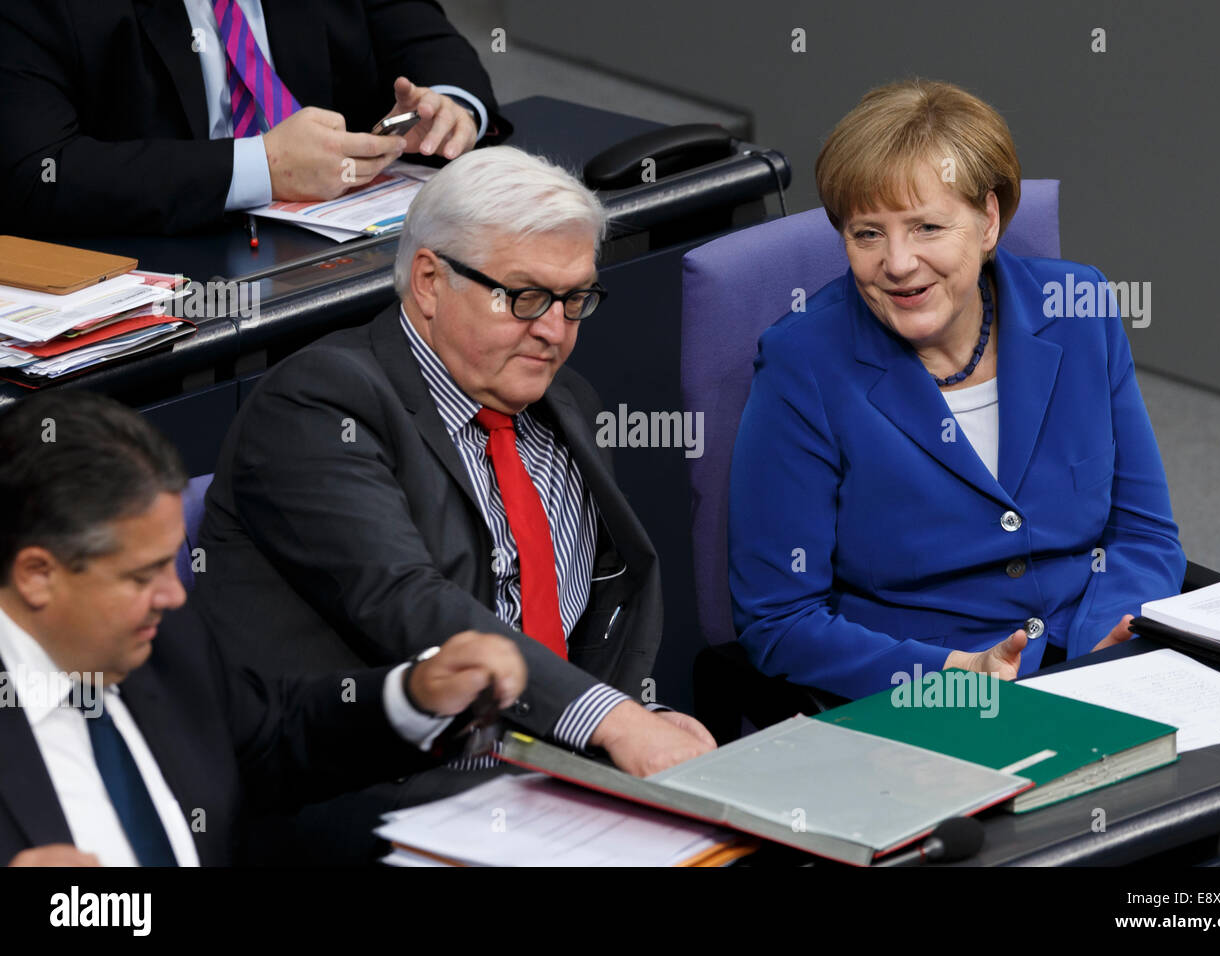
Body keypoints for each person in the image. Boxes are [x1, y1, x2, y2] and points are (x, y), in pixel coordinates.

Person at [189, 145, 715, 857]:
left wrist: (638, 717)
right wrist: (615, 723)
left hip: (545, 780)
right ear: (432, 281)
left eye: (575, 300)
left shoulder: (566, 404)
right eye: (525, 297)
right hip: (373, 805)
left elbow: (589, 614)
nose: (556, 331)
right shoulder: (317, 405)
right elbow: (407, 601)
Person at [728, 79, 1186, 700]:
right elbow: (779, 622)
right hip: (928, 701)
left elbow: (1144, 533)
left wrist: (1101, 646)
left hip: (1103, 659)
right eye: (868, 234)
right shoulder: (802, 365)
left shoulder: (1079, 309)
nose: (897, 262)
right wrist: (951, 675)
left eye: (926, 227)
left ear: (989, 220)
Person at [0, 390, 527, 867]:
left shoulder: (164, 639)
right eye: (142, 575)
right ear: (37, 575)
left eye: (169, 562)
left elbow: (272, 736)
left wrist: (414, 694)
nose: (175, 593)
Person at [0, 0, 509, 236]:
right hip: (164, 267)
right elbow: (38, 172)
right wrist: (262, 167)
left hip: (333, 247)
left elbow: (421, 34)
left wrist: (445, 107)